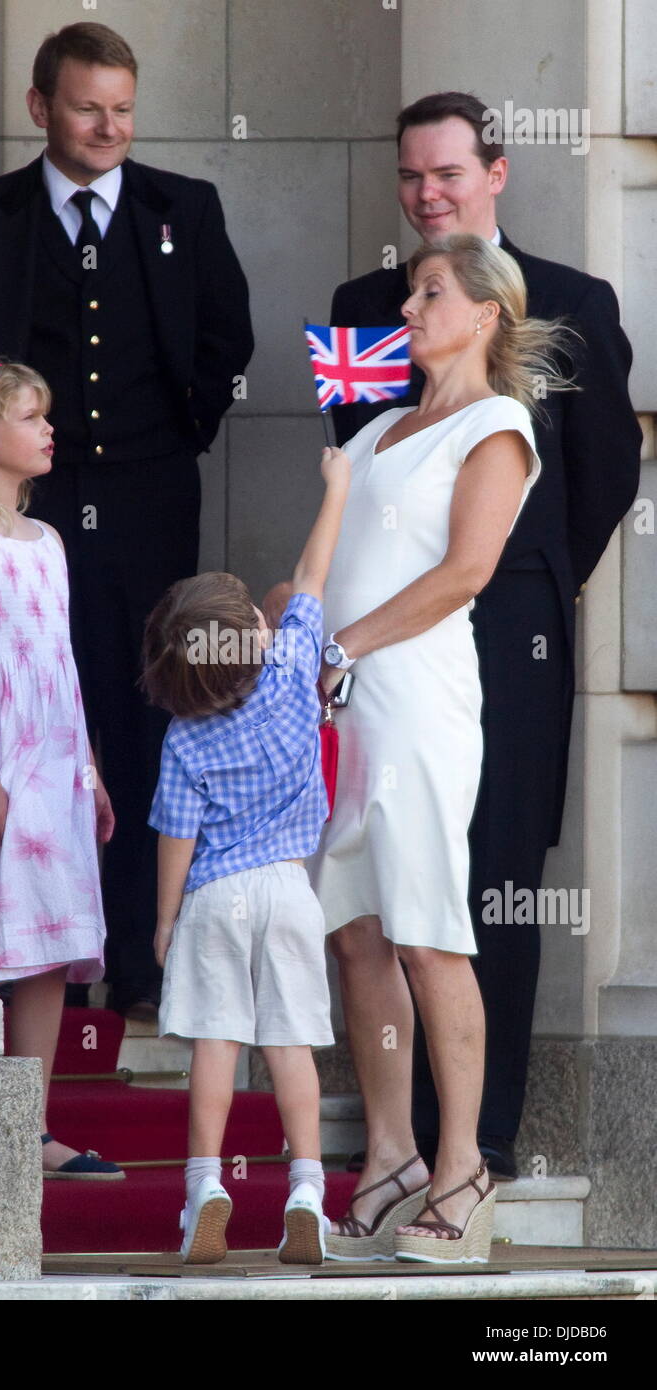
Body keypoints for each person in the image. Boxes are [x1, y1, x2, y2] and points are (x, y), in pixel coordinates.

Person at [327, 92, 641, 1180]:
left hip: (513, 627)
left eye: (449, 175)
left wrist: (535, 584)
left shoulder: (577, 302)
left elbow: (605, 472)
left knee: (494, 868)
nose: (428, 195)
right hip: (385, 639)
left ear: (495, 173)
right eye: (412, 177)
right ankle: (398, 1136)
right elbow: (353, 475)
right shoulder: (363, 305)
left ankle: (485, 1131)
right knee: (374, 879)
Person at [0, 21, 254, 1019]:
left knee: (145, 708)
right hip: (20, 512)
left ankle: (136, 955)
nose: (108, 126)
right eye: (88, 107)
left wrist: (176, 438)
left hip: (146, 500)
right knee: (31, 713)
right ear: (41, 107)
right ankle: (26, 952)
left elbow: (227, 339)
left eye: (123, 109)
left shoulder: (185, 209)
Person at [310, 234, 578, 1264]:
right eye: (410, 292)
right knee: (359, 934)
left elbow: (468, 571)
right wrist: (292, 635)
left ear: (485, 314)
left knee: (427, 931)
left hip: (417, 698)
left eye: (431, 292)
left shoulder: (501, 424)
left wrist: (345, 644)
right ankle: (391, 1161)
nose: (409, 308)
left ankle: (463, 1166)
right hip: (347, 701)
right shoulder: (376, 425)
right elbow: (330, 563)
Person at [140, 445, 351, 1265]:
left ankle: (206, 1189)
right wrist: (334, 484)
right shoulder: (296, 666)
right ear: (257, 638)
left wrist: (163, 921)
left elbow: (175, 834)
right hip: (291, 892)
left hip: (214, 896)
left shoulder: (186, 734)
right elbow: (311, 572)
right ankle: (306, 1188)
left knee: (216, 1046)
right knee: (289, 1044)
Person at [0, 358, 122, 1180]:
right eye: (31, 417)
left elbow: (61, 667)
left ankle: (28, 1126)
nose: (50, 429)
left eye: (48, 415)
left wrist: (91, 771)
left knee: (46, 952)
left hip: (54, 770)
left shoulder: (46, 540)